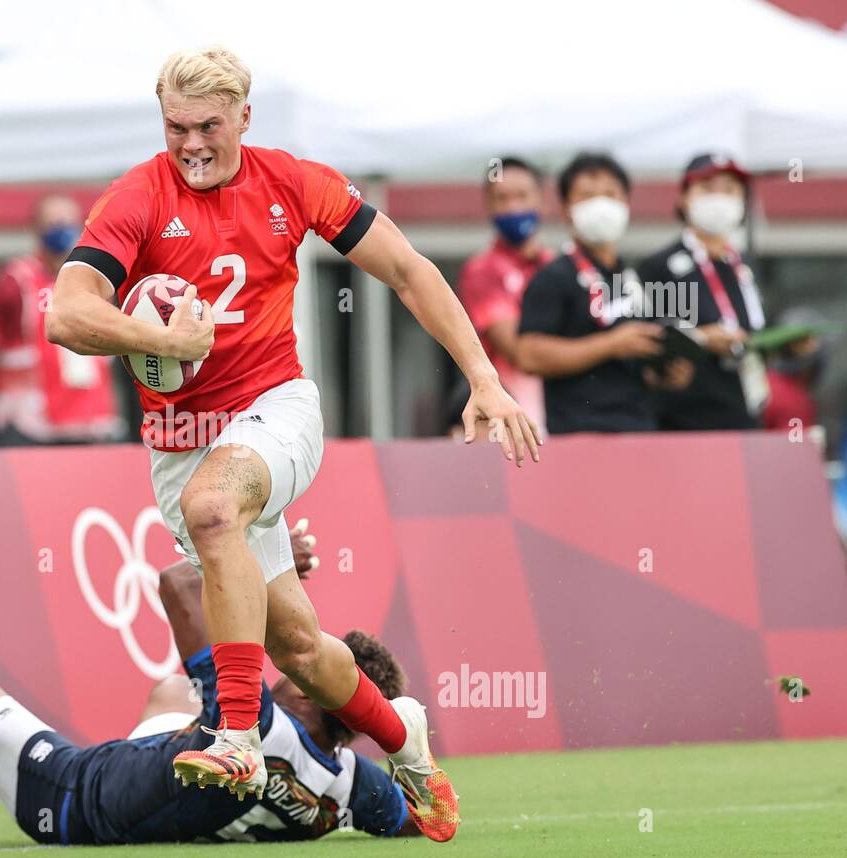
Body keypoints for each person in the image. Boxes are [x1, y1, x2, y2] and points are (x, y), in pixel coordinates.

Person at [48, 46, 533, 809]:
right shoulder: (137, 197)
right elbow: (65, 313)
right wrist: (164, 342)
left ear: (245, 115)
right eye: (176, 127)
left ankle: (237, 738)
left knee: (214, 509)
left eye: (209, 126)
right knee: (301, 649)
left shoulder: (295, 182)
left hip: (275, 407)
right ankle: (405, 740)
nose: (192, 145)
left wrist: (482, 378)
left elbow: (408, 270)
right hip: (181, 441)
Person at [0, 523, 459, 844]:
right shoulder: (355, 783)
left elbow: (178, 583)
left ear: (310, 686)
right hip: (172, 794)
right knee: (173, 695)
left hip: (69, 795)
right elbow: (417, 821)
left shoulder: (254, 718)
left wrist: (266, 559)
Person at [515, 151, 693, 434]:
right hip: (581, 435)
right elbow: (529, 354)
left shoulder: (632, 279)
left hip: (641, 429)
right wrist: (609, 345)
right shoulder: (552, 278)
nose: (601, 205)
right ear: (565, 208)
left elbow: (632, 365)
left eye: (611, 194)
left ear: (626, 204)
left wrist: (663, 375)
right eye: (587, 196)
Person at [0, 194, 125, 446]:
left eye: (68, 222)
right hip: (29, 426)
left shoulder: (95, 280)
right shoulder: (15, 279)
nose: (62, 229)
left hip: (90, 425)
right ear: (35, 229)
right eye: (53, 223)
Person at [638, 153, 769, 431]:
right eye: (708, 188)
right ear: (683, 198)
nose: (719, 199)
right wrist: (701, 338)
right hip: (686, 424)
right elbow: (654, 338)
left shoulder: (742, 263)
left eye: (730, 190)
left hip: (745, 415)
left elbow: (754, 328)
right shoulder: (663, 266)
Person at [457, 156, 554, 433]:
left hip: (569, 417)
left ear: (542, 201)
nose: (514, 207)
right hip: (513, 423)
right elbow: (520, 353)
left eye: (522, 196)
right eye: (502, 198)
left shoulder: (559, 266)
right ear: (488, 206)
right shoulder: (482, 271)